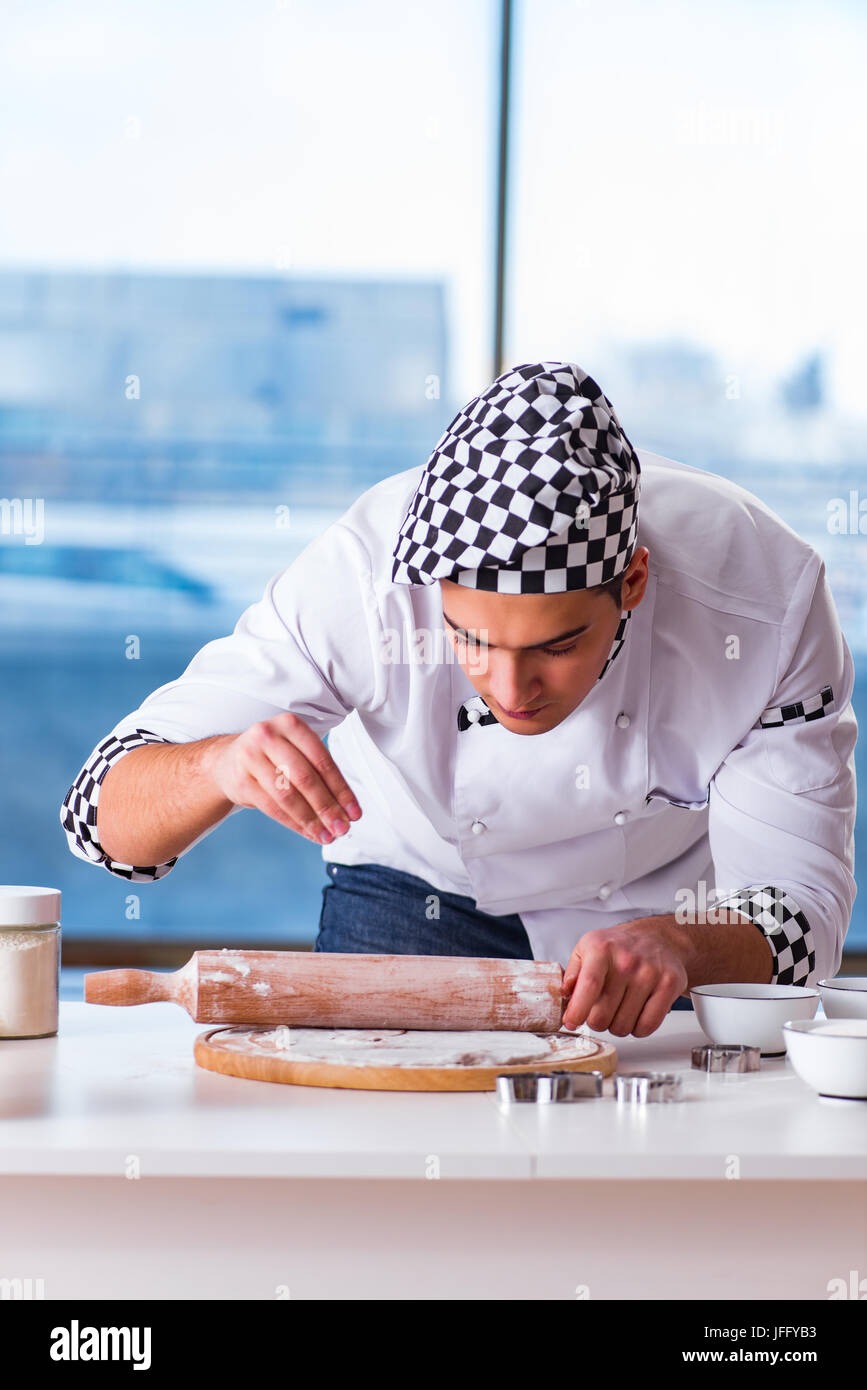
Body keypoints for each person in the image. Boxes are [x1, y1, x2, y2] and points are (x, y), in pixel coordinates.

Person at [60, 361, 857, 1039]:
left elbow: (803, 911)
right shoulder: (359, 581)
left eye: (557, 644)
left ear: (633, 583)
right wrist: (219, 767)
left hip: (653, 928)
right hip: (414, 891)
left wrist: (685, 942)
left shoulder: (765, 602)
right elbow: (100, 820)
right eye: (471, 640)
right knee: (378, 1176)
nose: (512, 691)